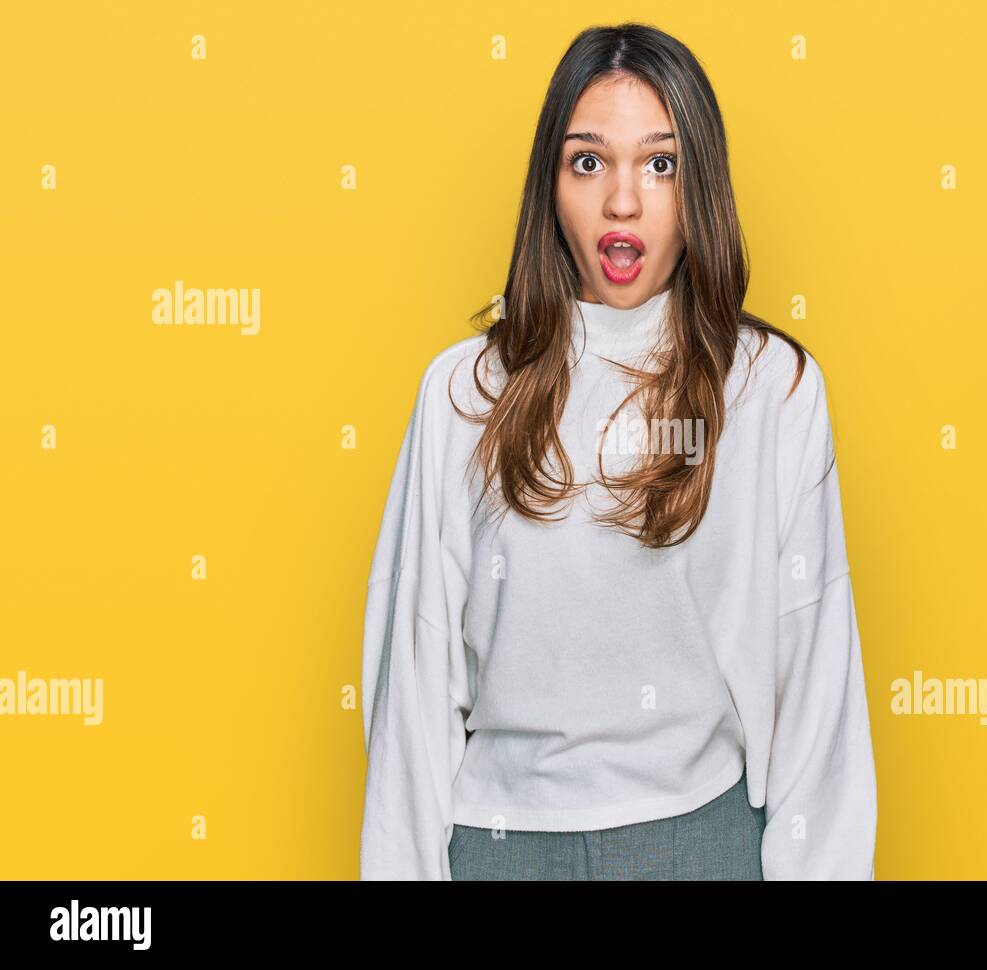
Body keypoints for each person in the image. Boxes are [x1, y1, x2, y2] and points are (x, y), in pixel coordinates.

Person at [359, 21, 877, 881]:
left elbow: (817, 690)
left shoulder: (771, 389)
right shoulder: (464, 393)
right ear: (550, 184)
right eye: (589, 162)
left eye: (661, 163)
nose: (624, 202)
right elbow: (411, 687)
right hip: (498, 846)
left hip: (702, 843)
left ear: (699, 185)